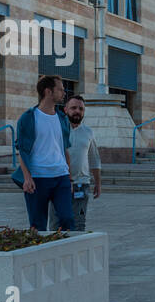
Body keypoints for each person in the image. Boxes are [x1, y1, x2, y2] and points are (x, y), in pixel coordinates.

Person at [14, 75, 75, 231]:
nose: (64, 93)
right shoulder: (28, 118)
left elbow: (65, 149)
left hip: (61, 178)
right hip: (38, 179)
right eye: (60, 89)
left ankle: (63, 253)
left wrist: (69, 178)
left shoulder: (62, 118)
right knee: (37, 225)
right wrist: (27, 178)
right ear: (48, 91)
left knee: (68, 219)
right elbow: (22, 150)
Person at [49, 94, 101, 232]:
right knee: (56, 224)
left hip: (81, 185)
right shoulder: (57, 129)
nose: (77, 111)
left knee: (79, 224)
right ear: (65, 109)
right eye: (73, 108)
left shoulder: (88, 132)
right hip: (59, 183)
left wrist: (98, 183)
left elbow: (94, 159)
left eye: (81, 109)